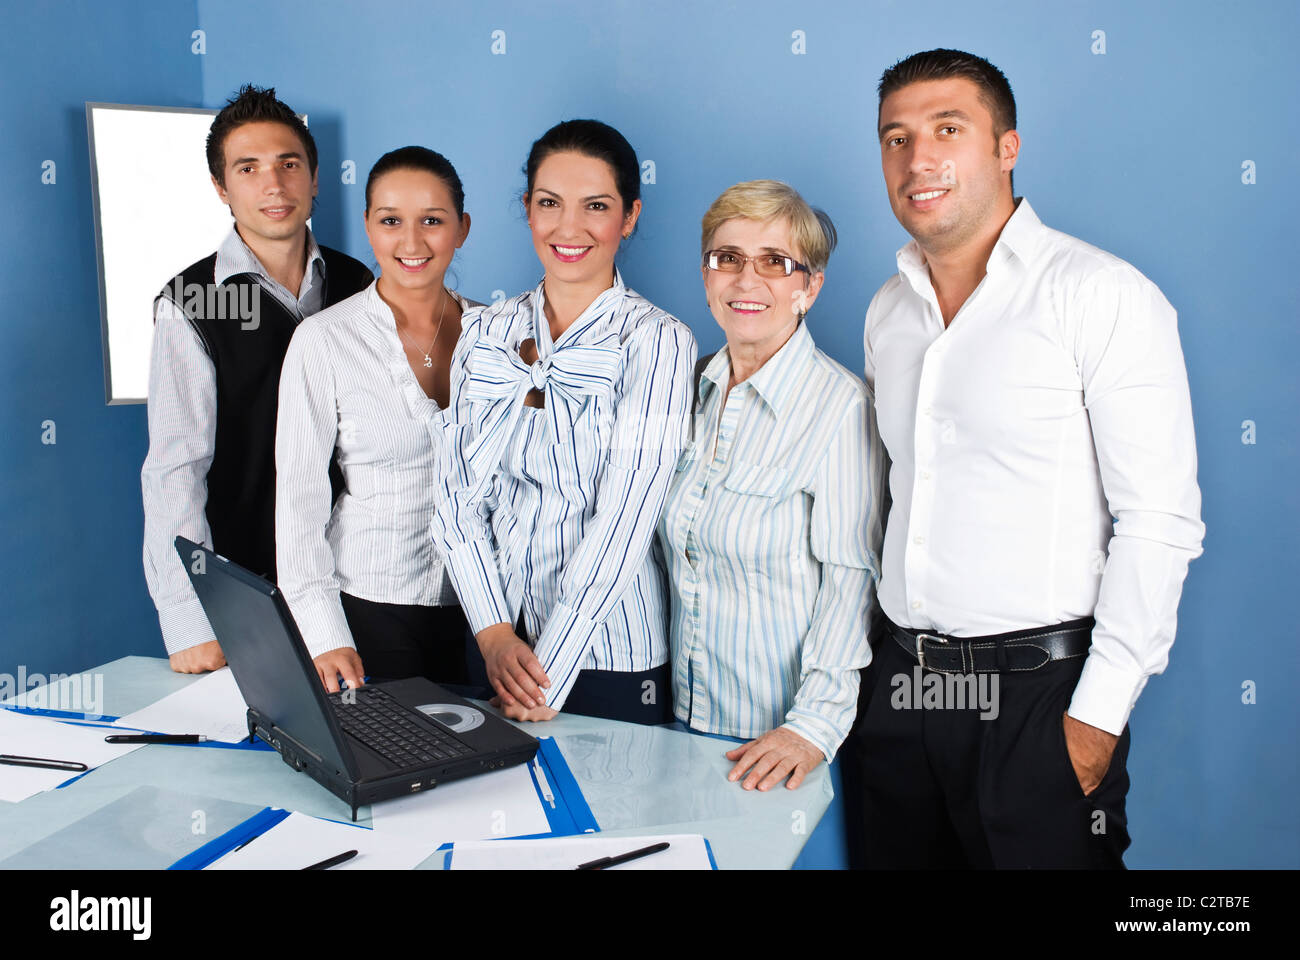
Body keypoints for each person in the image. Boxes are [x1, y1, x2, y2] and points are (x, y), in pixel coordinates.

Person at [842, 49, 1205, 868]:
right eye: (895, 138)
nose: (917, 158)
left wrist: (1094, 723)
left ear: (1007, 146)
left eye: (947, 129)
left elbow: (1161, 522)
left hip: (1040, 701)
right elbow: (893, 499)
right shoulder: (887, 312)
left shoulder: (1101, 295)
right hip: (903, 687)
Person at [431, 119, 696, 724]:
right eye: (549, 203)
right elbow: (454, 498)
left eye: (595, 206)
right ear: (527, 209)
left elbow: (628, 517)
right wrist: (494, 633)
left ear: (629, 217)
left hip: (608, 654)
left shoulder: (658, 341)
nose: (568, 228)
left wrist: (543, 673)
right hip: (494, 644)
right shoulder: (484, 331)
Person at [141, 84, 373, 675]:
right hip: (250, 588)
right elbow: (176, 470)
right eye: (249, 169)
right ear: (222, 188)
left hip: (357, 578)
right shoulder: (193, 301)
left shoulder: (357, 282)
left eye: (288, 164)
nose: (273, 185)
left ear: (315, 178)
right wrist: (190, 614)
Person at [658, 181, 879, 791]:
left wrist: (812, 726)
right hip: (681, 725)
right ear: (706, 277)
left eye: (775, 264)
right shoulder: (689, 391)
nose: (745, 281)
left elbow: (851, 582)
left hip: (779, 747)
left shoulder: (841, 407)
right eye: (726, 258)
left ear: (809, 287)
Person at [276, 147, 477, 692]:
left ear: (461, 229)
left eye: (432, 221)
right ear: (369, 226)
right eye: (391, 221)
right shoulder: (323, 341)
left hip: (488, 616)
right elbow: (298, 501)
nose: (411, 243)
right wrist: (323, 632)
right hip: (368, 612)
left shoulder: (501, 334)